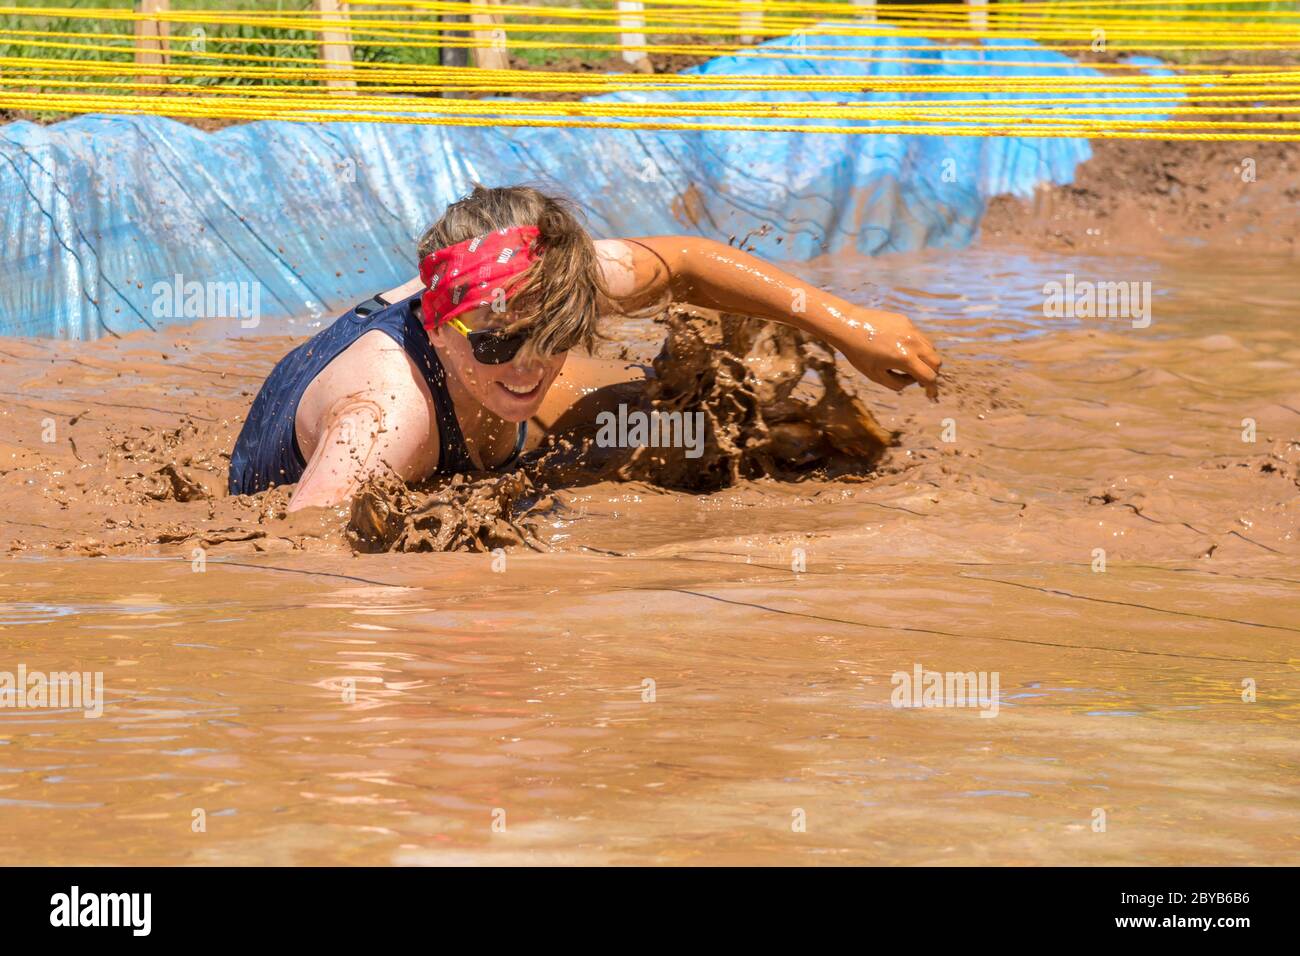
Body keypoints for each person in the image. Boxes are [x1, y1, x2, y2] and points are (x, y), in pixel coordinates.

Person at [228, 184, 942, 510]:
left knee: (689, 425)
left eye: (557, 333)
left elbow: (688, 264)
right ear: (440, 318)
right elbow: (305, 562)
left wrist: (848, 323)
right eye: (502, 338)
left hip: (470, 401)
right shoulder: (383, 420)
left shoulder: (550, 279)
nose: (531, 362)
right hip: (376, 423)